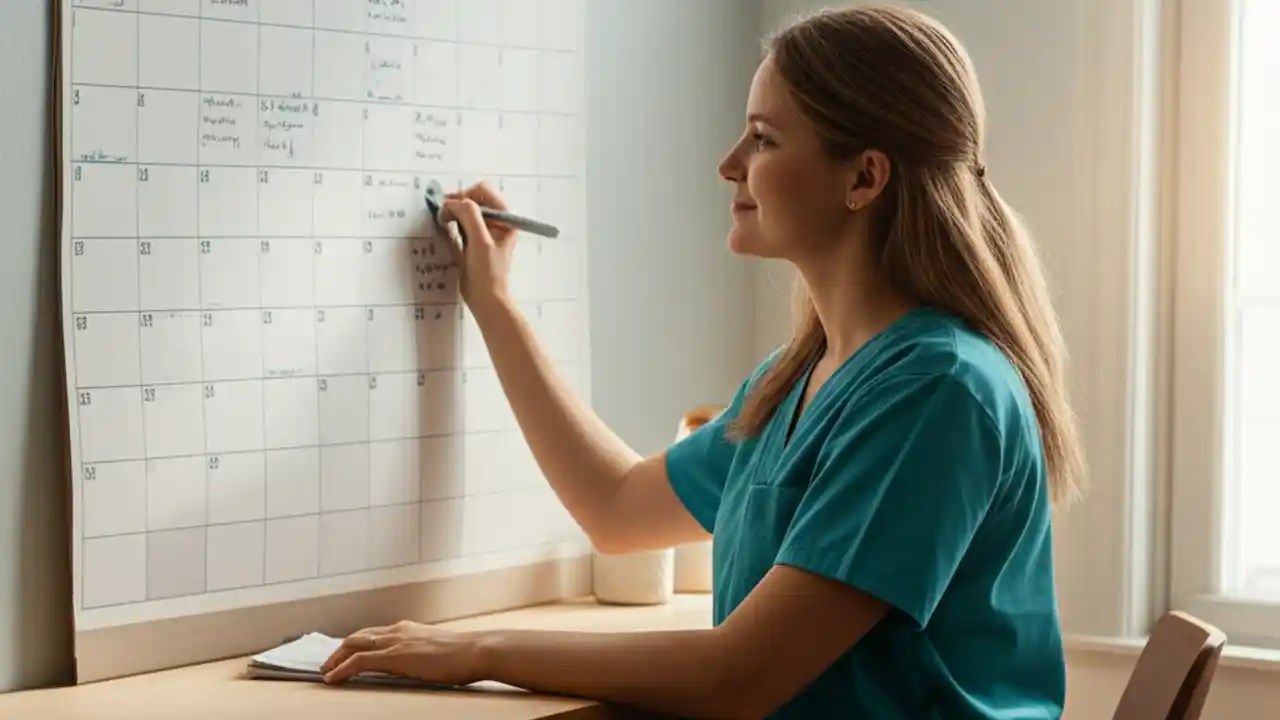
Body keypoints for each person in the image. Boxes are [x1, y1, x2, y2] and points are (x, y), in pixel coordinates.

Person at [320, 5, 1085, 718]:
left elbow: (740, 676)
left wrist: (477, 651)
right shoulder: (799, 379)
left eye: (763, 138)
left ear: (864, 178)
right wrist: (493, 304)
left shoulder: (937, 389)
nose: (728, 164)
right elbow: (615, 507)